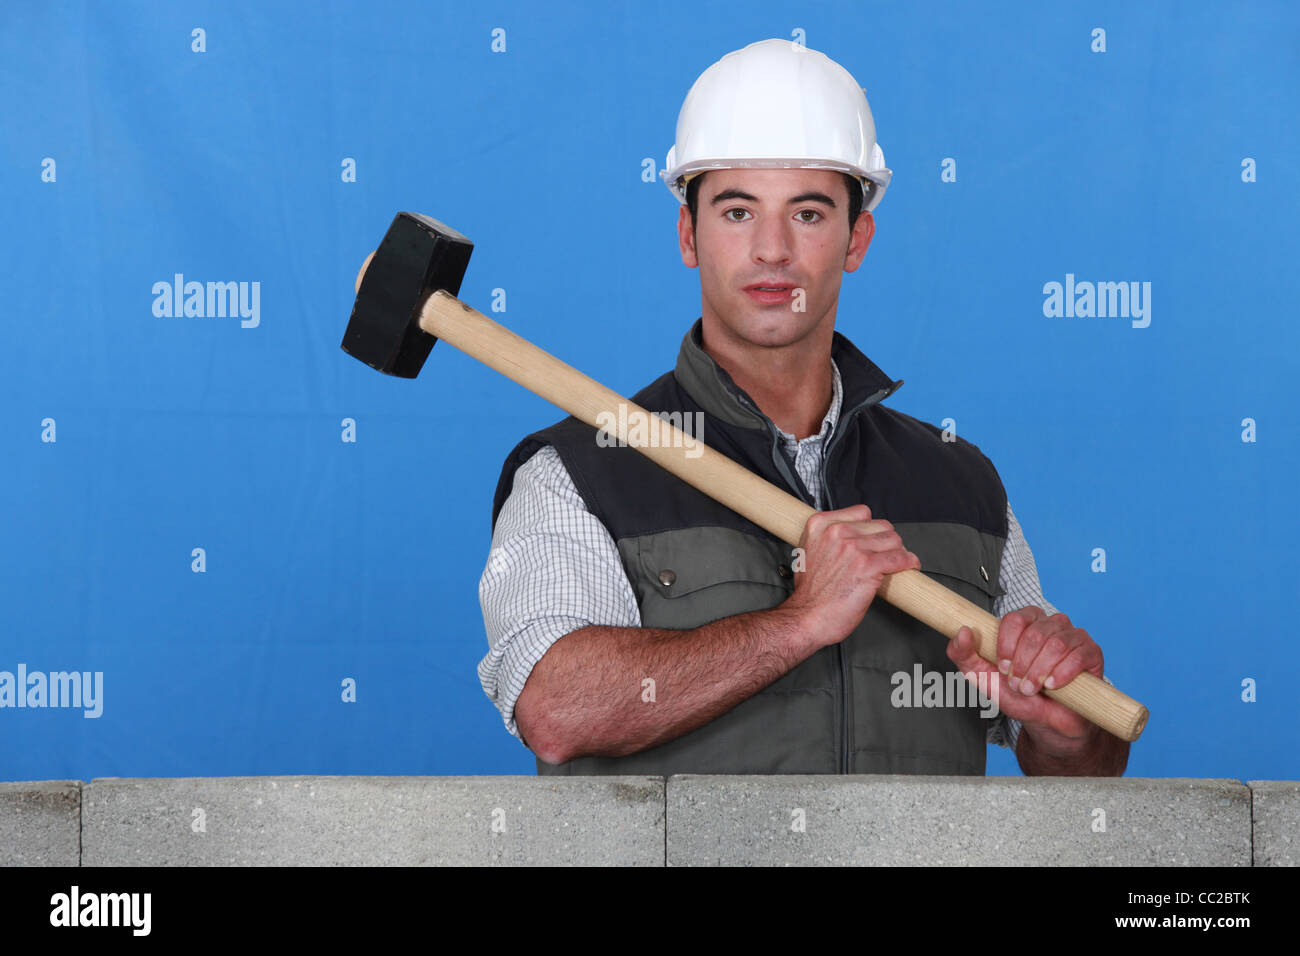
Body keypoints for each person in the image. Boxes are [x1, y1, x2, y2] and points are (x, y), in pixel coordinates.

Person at [477, 38, 1130, 777]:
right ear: (689, 235)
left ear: (857, 238)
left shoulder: (961, 483)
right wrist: (799, 621)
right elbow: (557, 709)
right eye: (737, 211)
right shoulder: (580, 472)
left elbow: (1083, 776)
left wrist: (1068, 735)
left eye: (810, 214)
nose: (772, 251)